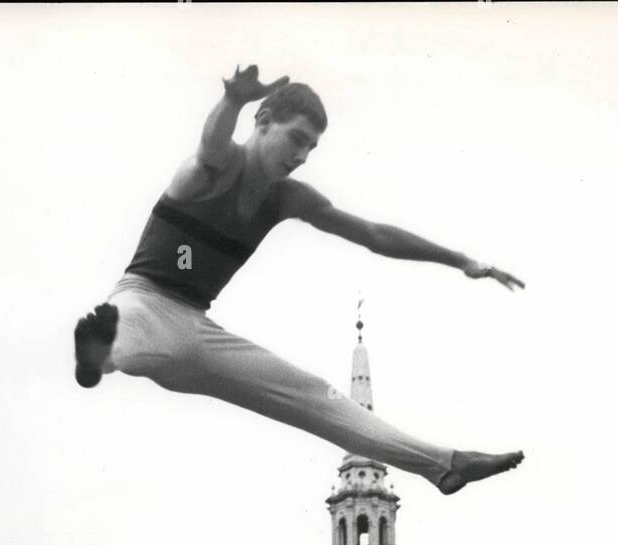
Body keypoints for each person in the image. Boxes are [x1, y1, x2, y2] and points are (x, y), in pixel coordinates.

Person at [74, 65, 525, 497]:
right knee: (131, 336)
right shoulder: (210, 170)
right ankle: (99, 355)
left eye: (311, 148)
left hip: (195, 329)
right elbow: (211, 144)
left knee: (312, 394)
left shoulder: (288, 198)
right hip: (144, 300)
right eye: (296, 139)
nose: (302, 157)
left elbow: (373, 235)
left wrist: (462, 260)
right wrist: (231, 99)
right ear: (264, 122)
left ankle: (444, 464)